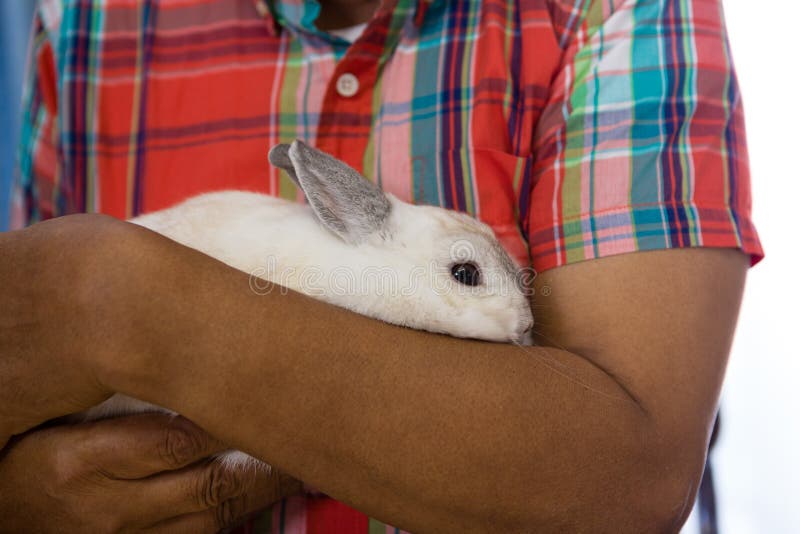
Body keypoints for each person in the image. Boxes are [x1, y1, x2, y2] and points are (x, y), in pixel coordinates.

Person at [0, 0, 763, 532]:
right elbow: (26, 349)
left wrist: (122, 302)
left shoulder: (614, 13)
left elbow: (632, 483)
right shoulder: (82, 23)